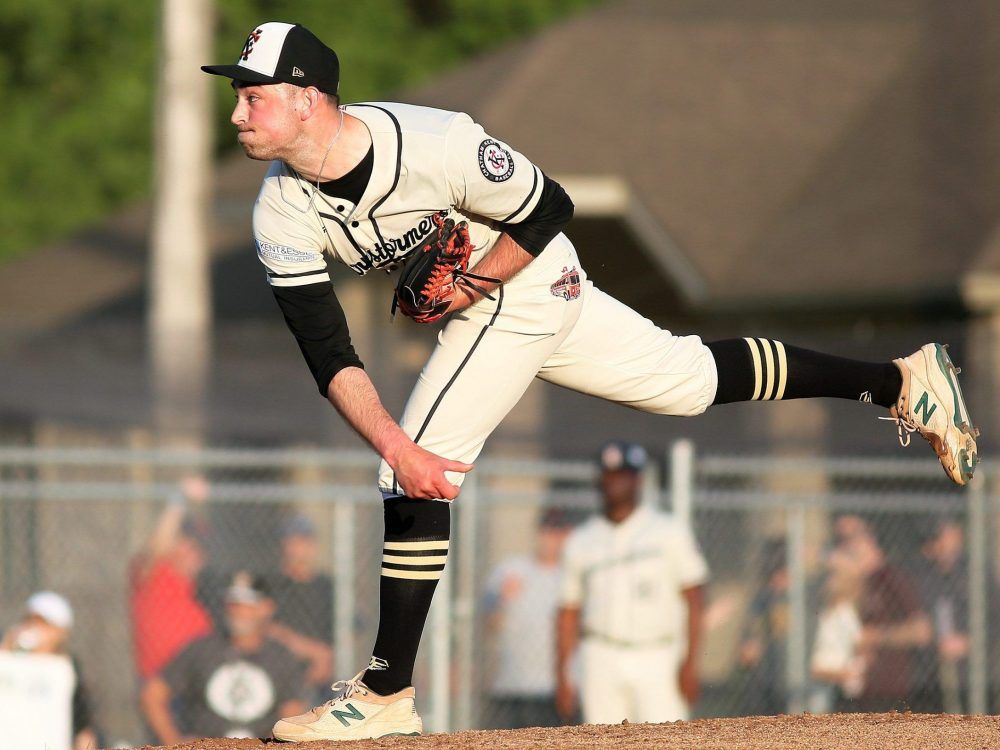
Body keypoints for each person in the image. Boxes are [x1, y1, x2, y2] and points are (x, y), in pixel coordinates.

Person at [201, 21, 978, 739]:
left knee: (415, 469)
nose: (237, 113)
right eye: (238, 95)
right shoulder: (281, 212)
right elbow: (329, 353)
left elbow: (549, 208)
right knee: (687, 381)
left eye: (252, 95)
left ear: (306, 98)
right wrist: (394, 440)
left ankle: (385, 694)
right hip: (516, 301)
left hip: (522, 286)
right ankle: (902, 382)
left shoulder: (434, 143)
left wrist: (467, 293)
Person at [554, 441, 708, 724]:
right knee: (602, 738)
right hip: (600, 653)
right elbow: (568, 610)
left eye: (622, 475)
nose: (614, 482)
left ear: (637, 479)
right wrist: (563, 675)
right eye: (608, 474)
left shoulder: (668, 531)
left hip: (657, 655)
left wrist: (691, 663)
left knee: (665, 738)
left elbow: (695, 599)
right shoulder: (581, 540)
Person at [140, 571, 308, 742]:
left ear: (266, 608)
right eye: (233, 604)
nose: (238, 612)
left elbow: (292, 715)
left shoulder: (281, 657)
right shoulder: (202, 649)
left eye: (246, 605)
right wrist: (174, 743)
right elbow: (153, 695)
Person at [482, 507, 576, 729]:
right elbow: (489, 624)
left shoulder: (571, 575)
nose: (552, 539)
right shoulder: (512, 569)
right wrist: (502, 601)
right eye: (548, 531)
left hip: (555, 687)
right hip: (512, 683)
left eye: (559, 532)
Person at [129, 475, 214, 682]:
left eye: (200, 548)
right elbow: (158, 547)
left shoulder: (207, 584)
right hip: (159, 682)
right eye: (188, 544)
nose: (195, 553)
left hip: (198, 681)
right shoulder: (156, 575)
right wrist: (178, 499)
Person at [0, 591, 99, 750]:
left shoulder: (67, 671)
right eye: (30, 621)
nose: (35, 628)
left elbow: (82, 729)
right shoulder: (7, 659)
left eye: (44, 624)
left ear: (61, 632)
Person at [265, 514, 335, 702]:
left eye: (303, 541)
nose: (297, 549)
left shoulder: (326, 586)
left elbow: (349, 627)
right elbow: (266, 627)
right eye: (291, 542)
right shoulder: (274, 584)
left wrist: (327, 658)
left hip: (325, 675)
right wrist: (312, 651)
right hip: (282, 672)